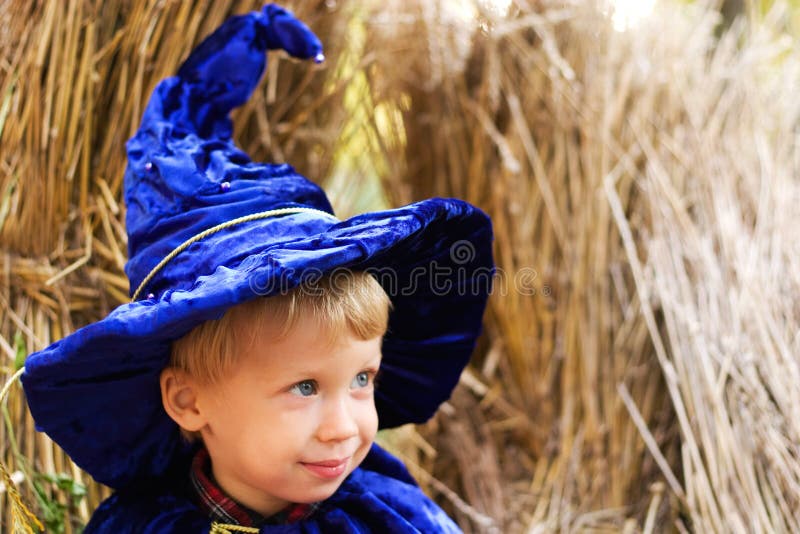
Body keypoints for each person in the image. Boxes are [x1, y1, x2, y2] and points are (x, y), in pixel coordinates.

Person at [21, 4, 494, 532]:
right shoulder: (137, 525)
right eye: (306, 387)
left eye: (362, 378)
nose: (344, 428)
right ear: (188, 399)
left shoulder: (392, 519)